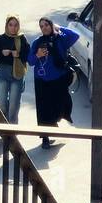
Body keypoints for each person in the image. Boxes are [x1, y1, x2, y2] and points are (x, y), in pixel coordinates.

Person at [30, 18, 79, 148]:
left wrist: (60, 27)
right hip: (41, 80)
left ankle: (56, 121)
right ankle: (45, 138)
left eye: (46, 25)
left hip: (59, 78)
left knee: (62, 103)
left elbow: (75, 36)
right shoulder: (37, 42)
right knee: (43, 110)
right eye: (41, 26)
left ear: (51, 25)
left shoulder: (61, 39)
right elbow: (30, 61)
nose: (44, 28)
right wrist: (37, 55)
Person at [0, 17, 30, 123]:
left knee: (13, 106)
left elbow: (28, 56)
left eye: (16, 25)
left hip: (18, 74)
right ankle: (4, 125)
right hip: (3, 73)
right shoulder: (1, 38)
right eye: (10, 25)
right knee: (0, 102)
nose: (13, 28)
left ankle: (12, 131)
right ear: (6, 25)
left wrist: (18, 54)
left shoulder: (22, 39)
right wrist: (1, 52)